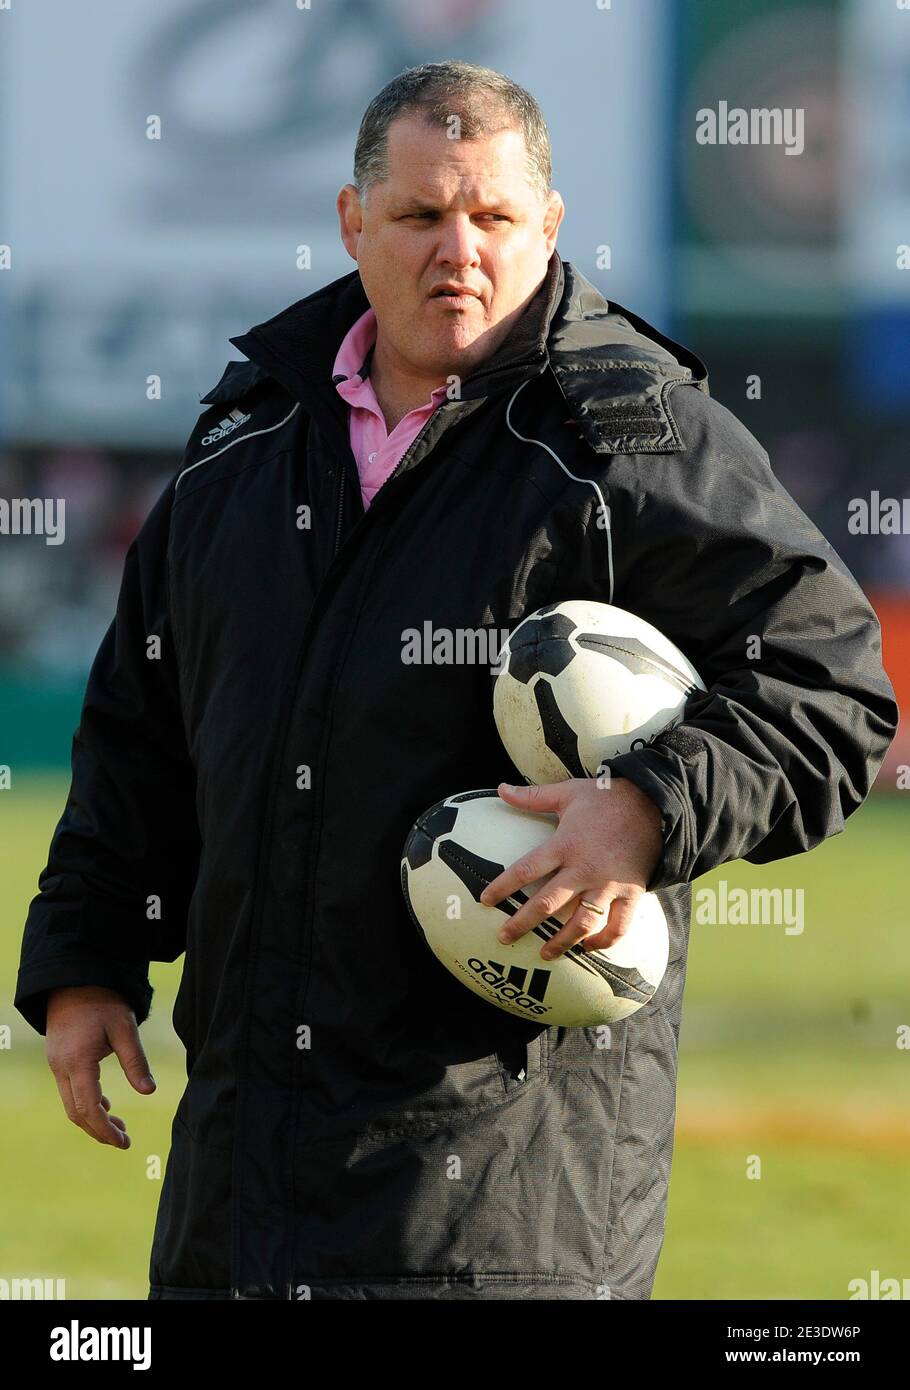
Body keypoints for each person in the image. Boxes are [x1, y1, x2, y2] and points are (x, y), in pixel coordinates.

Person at [16, 61, 897, 1301]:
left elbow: (830, 688)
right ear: (351, 221)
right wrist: (89, 955)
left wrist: (643, 807)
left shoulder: (634, 442)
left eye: (492, 218)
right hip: (238, 1193)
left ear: (547, 225)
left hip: (510, 1203)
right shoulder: (243, 443)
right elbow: (141, 734)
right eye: (423, 216)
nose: (459, 252)